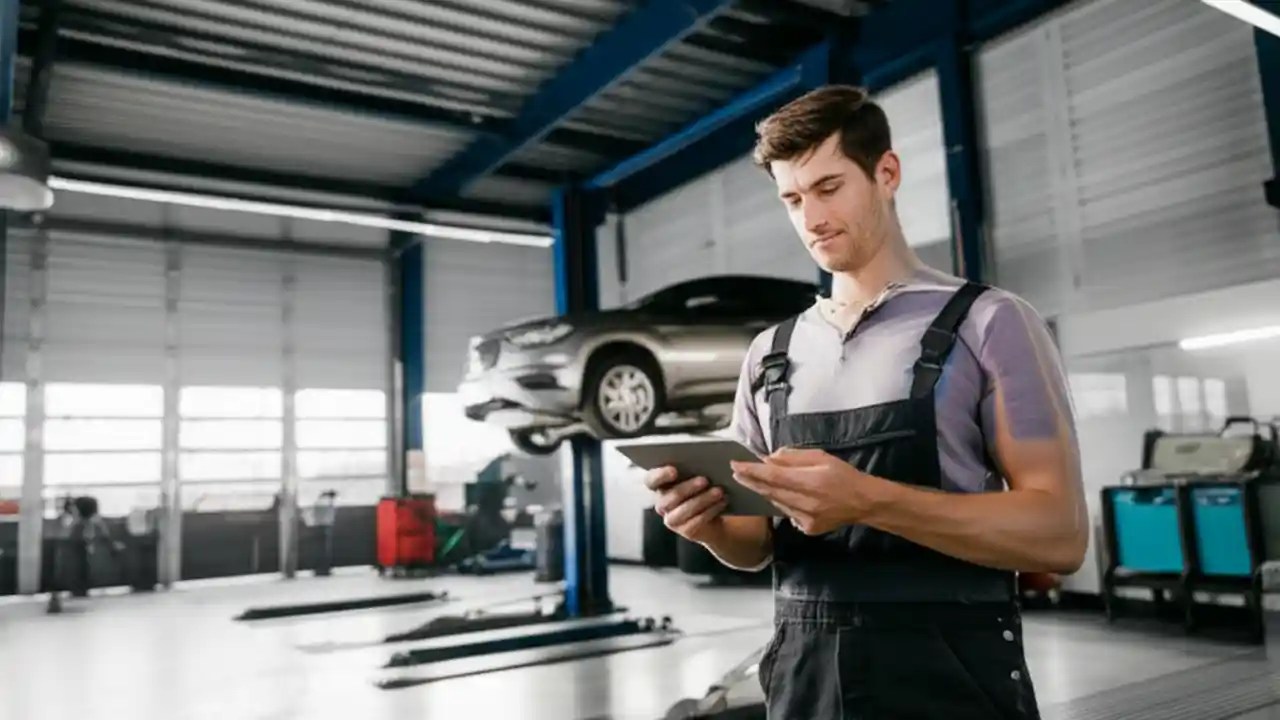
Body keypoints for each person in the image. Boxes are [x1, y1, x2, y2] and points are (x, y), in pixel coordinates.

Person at [643, 85, 1088, 719]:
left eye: (829, 188)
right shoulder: (772, 352)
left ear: (887, 173)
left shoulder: (991, 324)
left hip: (953, 686)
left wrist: (868, 500)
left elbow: (1061, 535)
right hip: (805, 685)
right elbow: (756, 544)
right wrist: (707, 524)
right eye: (792, 199)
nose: (812, 218)